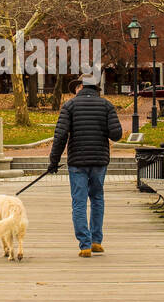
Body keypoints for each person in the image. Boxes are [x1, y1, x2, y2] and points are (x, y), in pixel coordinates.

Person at [47, 74, 123, 257]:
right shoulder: (106, 105)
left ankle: (85, 244)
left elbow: (60, 136)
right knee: (97, 199)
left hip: (77, 161)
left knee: (79, 201)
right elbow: (116, 134)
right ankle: (97, 241)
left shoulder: (70, 106)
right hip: (99, 160)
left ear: (80, 86)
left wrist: (54, 162)